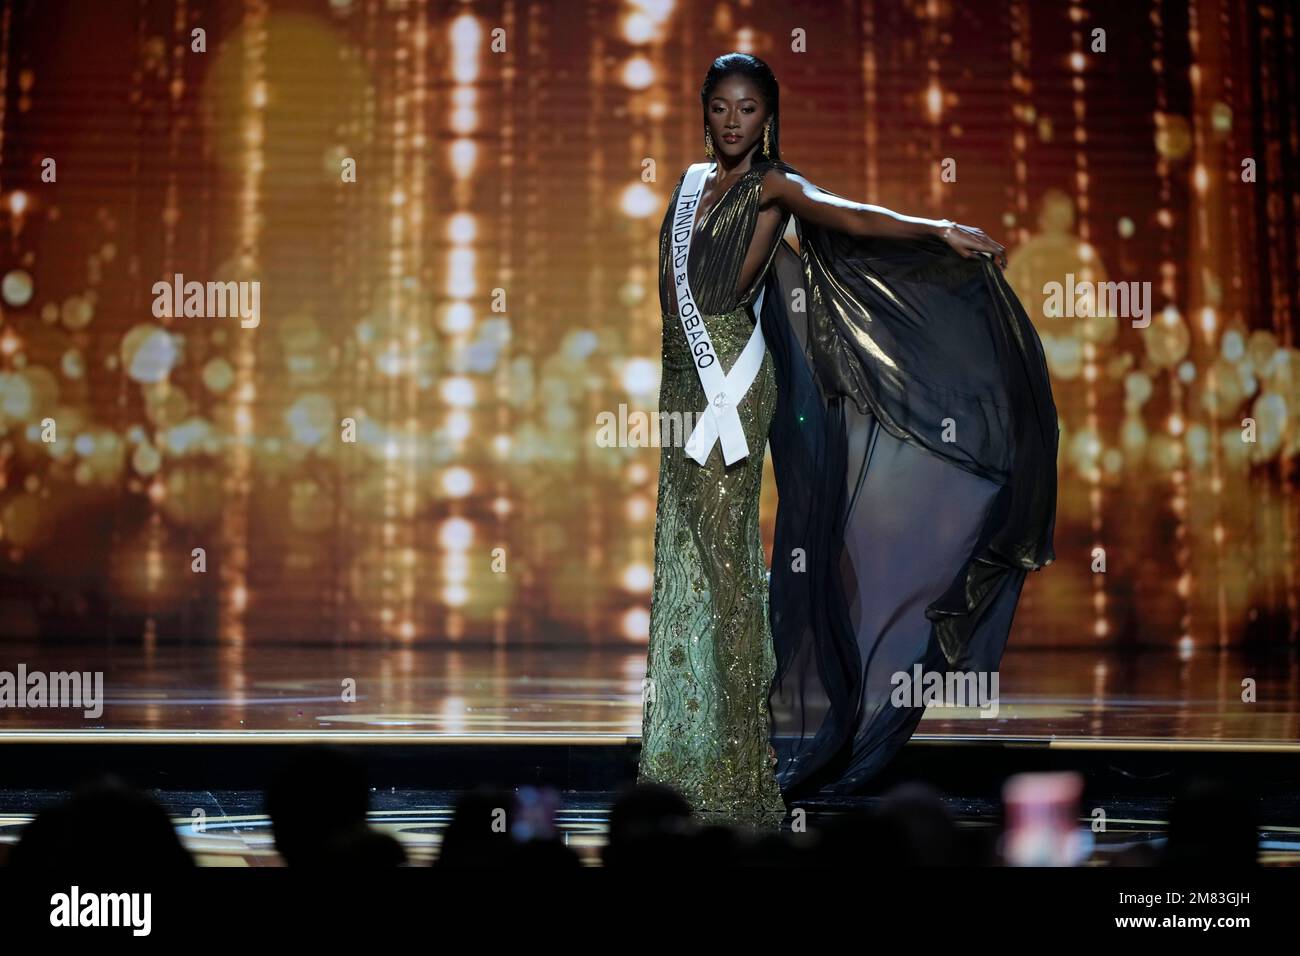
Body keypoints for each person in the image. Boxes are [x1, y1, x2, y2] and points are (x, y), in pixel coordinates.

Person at [636, 52, 1058, 831]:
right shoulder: (689, 185)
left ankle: (737, 763)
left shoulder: (775, 185)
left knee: (723, 561)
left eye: (750, 110)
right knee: (685, 553)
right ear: (704, 111)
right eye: (722, 108)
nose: (734, 123)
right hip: (679, 385)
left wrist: (936, 229)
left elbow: (852, 216)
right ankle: (689, 748)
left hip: (729, 381)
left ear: (770, 118)